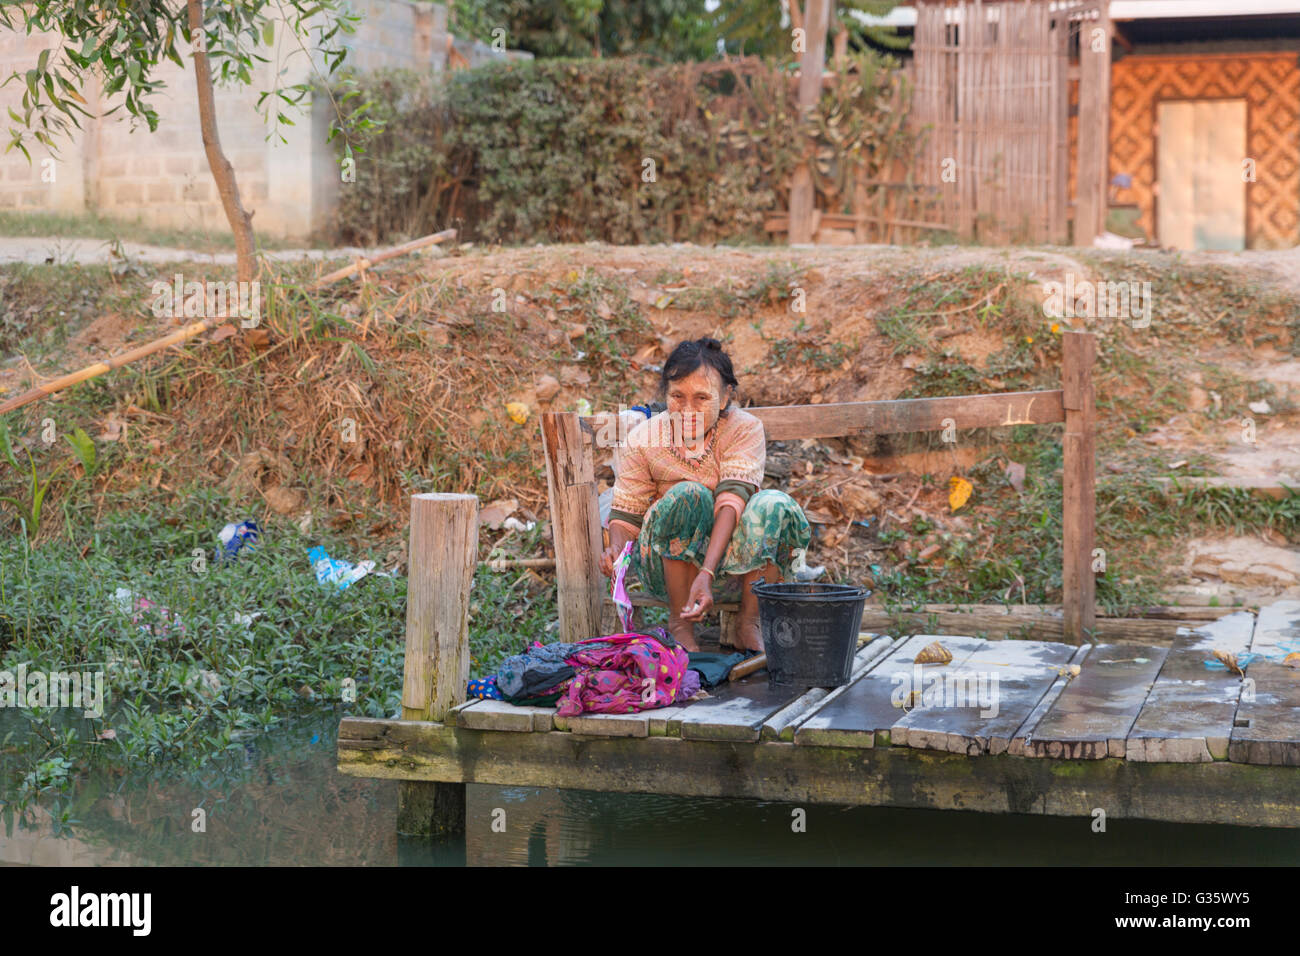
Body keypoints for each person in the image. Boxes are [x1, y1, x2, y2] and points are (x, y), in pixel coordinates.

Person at [598, 337, 812, 652]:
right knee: (689, 494)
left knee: (775, 503)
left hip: (733, 571)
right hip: (665, 574)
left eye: (701, 397)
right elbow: (627, 512)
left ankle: (748, 622)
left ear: (725, 397)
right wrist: (616, 546)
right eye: (677, 396)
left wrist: (708, 572)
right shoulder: (644, 438)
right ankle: (680, 622)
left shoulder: (744, 429)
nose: (688, 410)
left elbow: (732, 501)